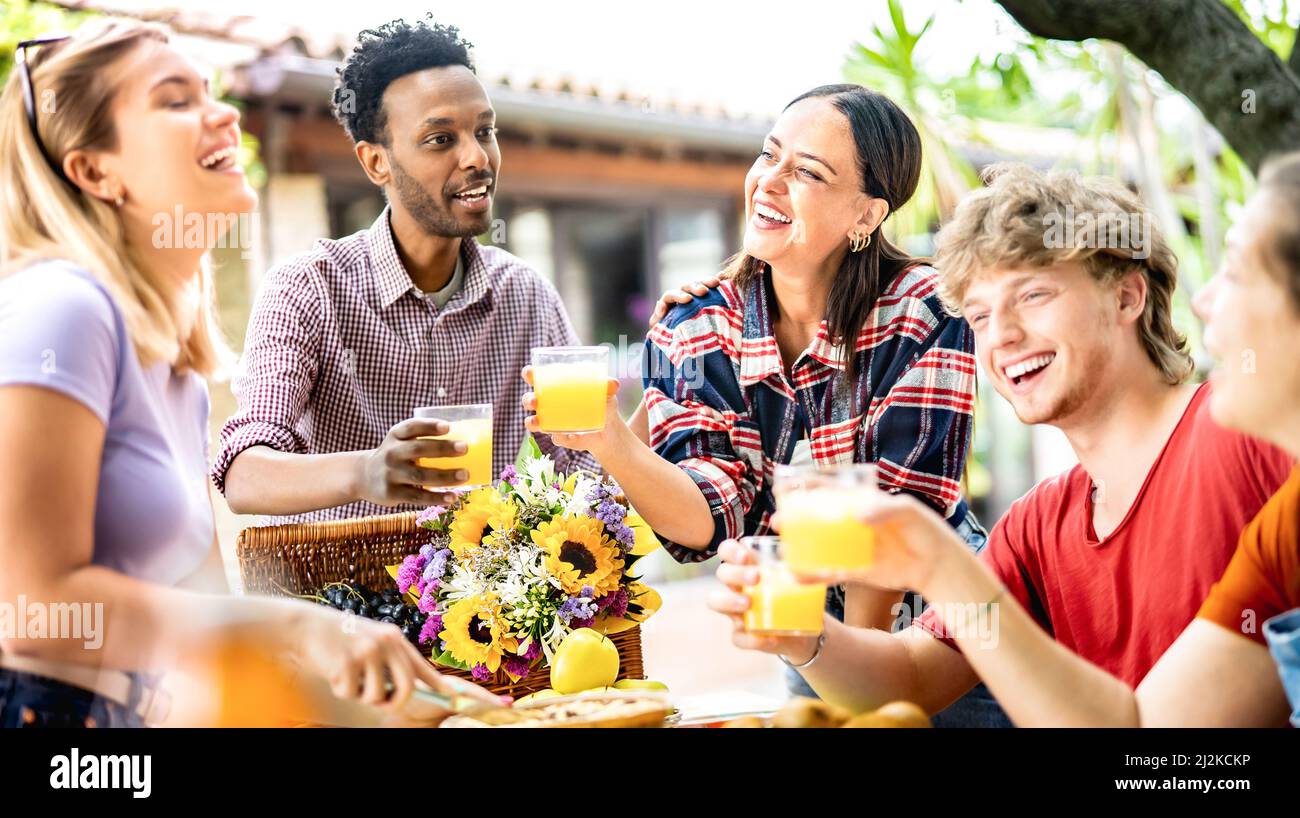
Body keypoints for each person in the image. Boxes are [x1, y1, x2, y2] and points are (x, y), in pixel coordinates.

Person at [0, 20, 497, 727]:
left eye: (209, 92)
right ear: (93, 170)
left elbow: (207, 633)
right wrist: (303, 627)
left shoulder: (177, 370)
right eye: (175, 100)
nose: (225, 113)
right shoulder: (63, 308)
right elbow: (29, 609)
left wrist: (420, 706)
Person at [706, 163, 1293, 719]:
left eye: (1033, 296)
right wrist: (807, 637)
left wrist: (937, 560)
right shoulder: (1038, 526)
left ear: (1126, 297)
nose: (1004, 337)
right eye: (981, 317)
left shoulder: (1248, 435)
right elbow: (911, 677)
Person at [525, 84, 1005, 725]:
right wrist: (610, 439)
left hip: (943, 618)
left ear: (867, 215)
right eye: (768, 155)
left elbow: (900, 515)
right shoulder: (694, 325)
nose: (770, 182)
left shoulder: (924, 309)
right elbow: (707, 517)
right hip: (811, 627)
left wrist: (870, 695)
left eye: (808, 172)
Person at [214, 16, 595, 524]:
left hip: (490, 600)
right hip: (334, 597)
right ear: (376, 163)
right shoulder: (309, 289)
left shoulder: (527, 295)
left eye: (485, 131)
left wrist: (667, 357)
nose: (477, 157)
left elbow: (588, 469)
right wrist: (368, 472)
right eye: (440, 139)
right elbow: (244, 476)